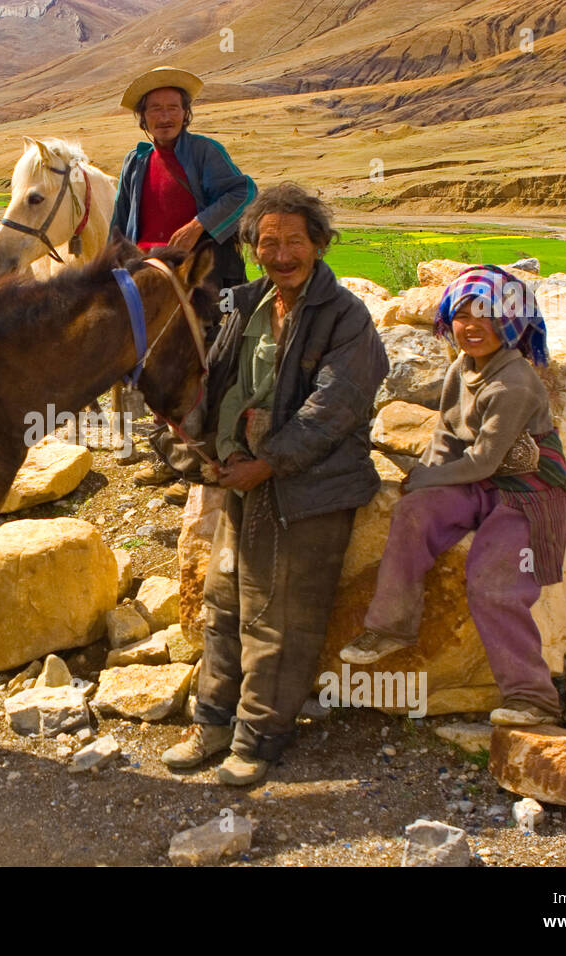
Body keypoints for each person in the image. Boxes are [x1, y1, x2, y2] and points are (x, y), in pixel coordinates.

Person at [160, 182, 388, 785]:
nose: (281, 254)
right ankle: (211, 722)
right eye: (268, 243)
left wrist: (270, 462)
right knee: (225, 601)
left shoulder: (345, 317)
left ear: (318, 243)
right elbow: (199, 376)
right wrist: (190, 445)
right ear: (252, 248)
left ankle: (258, 740)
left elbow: (334, 408)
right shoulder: (242, 302)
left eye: (294, 241)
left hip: (309, 491)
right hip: (243, 482)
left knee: (279, 617)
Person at [339, 266, 566, 726]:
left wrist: (428, 478)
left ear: (511, 321)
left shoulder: (514, 382)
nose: (470, 326)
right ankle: (390, 627)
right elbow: (447, 436)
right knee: (413, 513)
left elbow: (485, 460)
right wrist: (424, 477)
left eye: (485, 315)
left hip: (526, 491)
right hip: (477, 482)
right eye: (461, 315)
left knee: (493, 580)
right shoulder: (460, 369)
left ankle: (533, 696)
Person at [109, 65, 255, 501]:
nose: (165, 116)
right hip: (154, 283)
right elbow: (119, 225)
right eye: (156, 109)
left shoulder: (205, 152)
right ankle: (170, 459)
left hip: (205, 276)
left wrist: (199, 224)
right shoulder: (135, 163)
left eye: (174, 108)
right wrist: (117, 268)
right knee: (158, 367)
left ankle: (217, 456)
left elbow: (243, 192)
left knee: (210, 362)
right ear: (144, 118)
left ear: (186, 114)